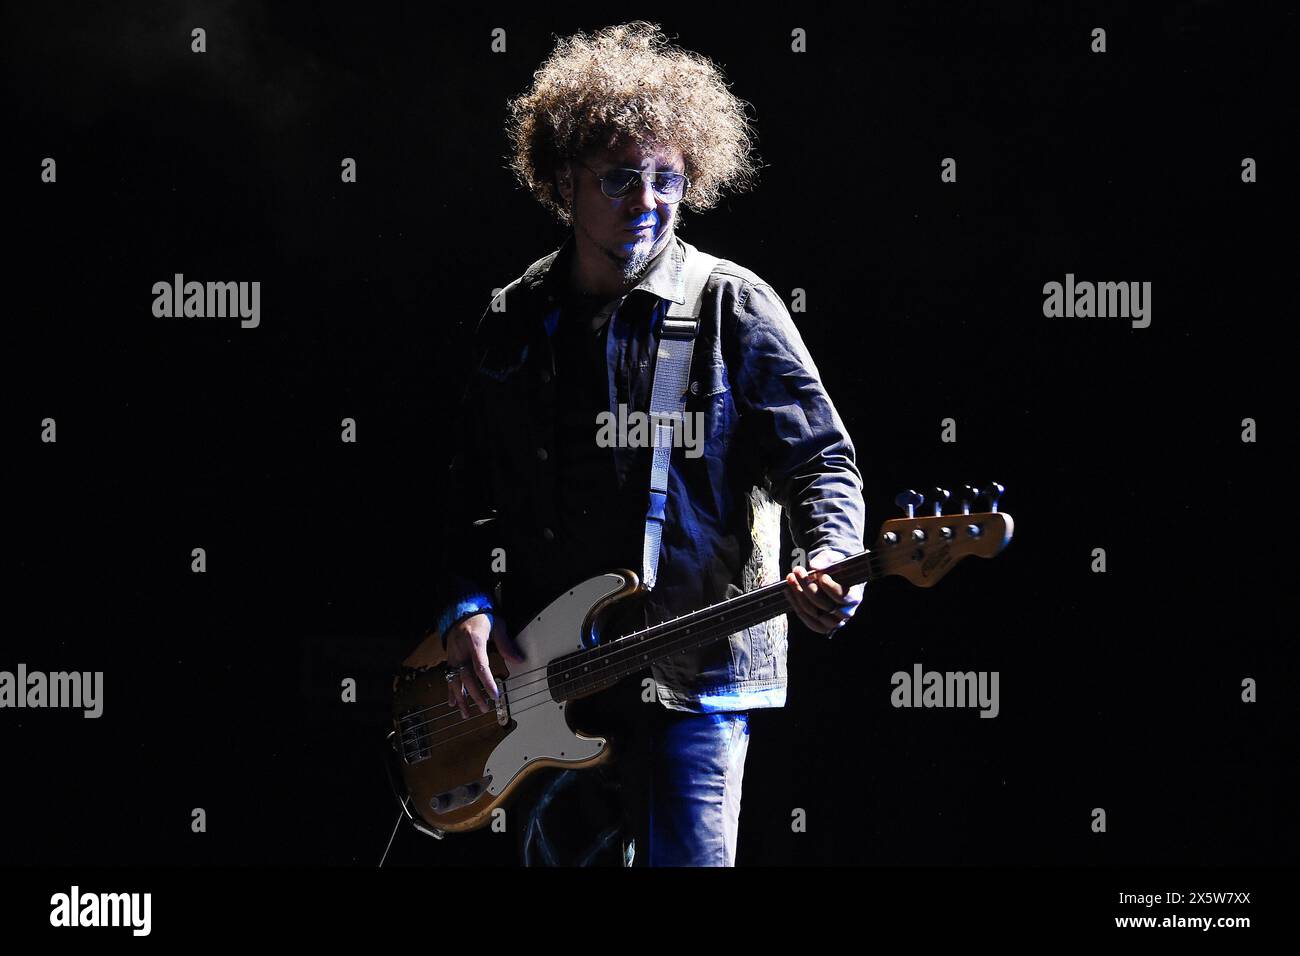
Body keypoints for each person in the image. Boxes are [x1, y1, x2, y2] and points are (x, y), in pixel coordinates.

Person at [425, 21, 866, 866]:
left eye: (667, 178)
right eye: (620, 178)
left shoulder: (733, 306)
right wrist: (466, 611)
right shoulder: (514, 318)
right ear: (562, 181)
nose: (649, 200)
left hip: (693, 685)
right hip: (543, 690)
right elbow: (468, 494)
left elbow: (820, 460)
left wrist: (833, 552)